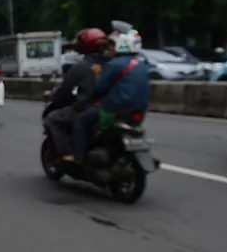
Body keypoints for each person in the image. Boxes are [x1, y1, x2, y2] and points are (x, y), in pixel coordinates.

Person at [72, 28, 151, 163]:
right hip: (139, 111)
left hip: (114, 110)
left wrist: (97, 75)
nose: (110, 49)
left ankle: (78, 158)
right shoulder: (141, 64)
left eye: (112, 45)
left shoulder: (114, 64)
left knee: (80, 121)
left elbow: (99, 89)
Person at [45, 28, 111, 161]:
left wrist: (55, 97)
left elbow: (65, 90)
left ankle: (68, 154)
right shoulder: (111, 64)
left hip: (87, 107)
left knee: (52, 119)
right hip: (109, 106)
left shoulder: (81, 66)